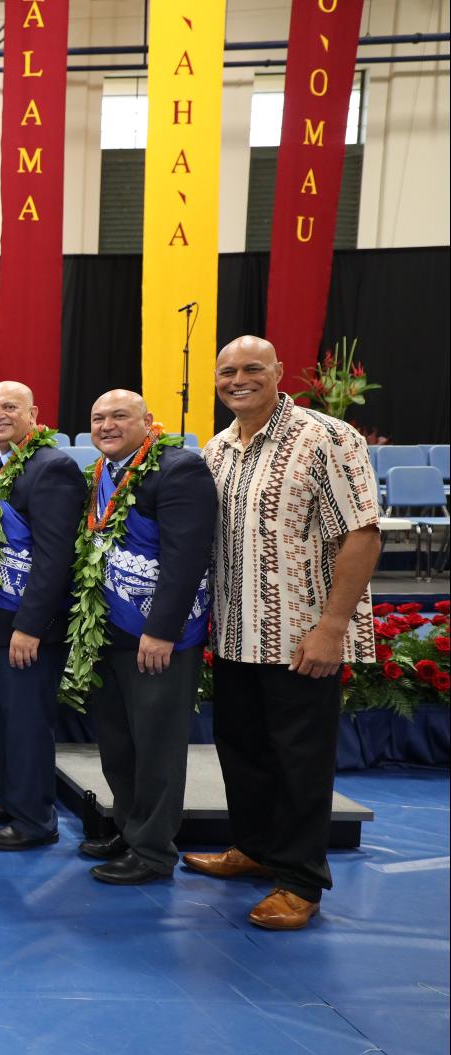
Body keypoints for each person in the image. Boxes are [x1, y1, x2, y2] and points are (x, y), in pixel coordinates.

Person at [182, 336, 380, 931]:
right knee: (242, 751)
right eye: (227, 371)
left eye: (252, 369)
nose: (237, 380)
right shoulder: (217, 449)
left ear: (279, 373)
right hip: (235, 632)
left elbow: (363, 533)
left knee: (300, 762)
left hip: (301, 637)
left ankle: (298, 881)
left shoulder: (327, 437)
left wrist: (332, 628)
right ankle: (254, 847)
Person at [75, 390, 216, 884]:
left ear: (148, 421)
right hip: (110, 630)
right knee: (119, 742)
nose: (107, 425)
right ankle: (129, 828)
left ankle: (153, 851)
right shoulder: (103, 472)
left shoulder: (179, 470)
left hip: (157, 637)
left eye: (119, 416)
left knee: (157, 746)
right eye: (98, 418)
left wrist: (160, 630)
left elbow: (186, 558)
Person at [0, 381, 84, 850]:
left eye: (9, 407)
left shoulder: (52, 467)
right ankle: (13, 799)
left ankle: (35, 821)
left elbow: (54, 558)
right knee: (4, 719)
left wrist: (30, 626)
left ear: (34, 414)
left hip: (24, 626)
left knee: (26, 722)